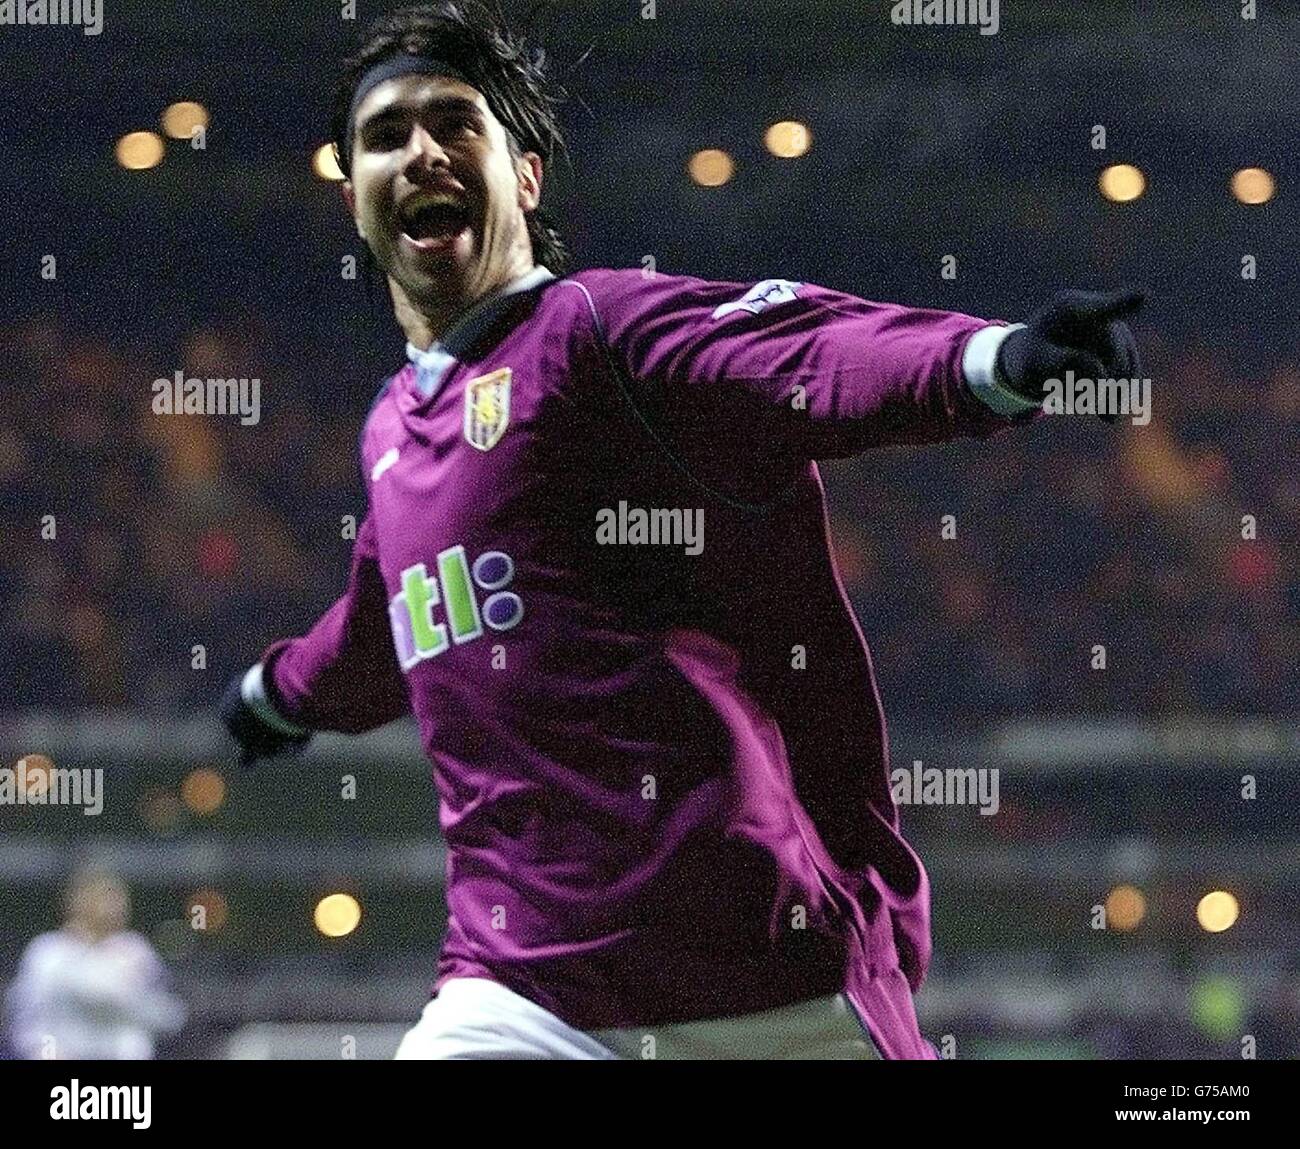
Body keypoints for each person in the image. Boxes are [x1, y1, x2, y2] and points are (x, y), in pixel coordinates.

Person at [221, 1, 1141, 1059]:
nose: (420, 149)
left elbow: (809, 356)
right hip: (525, 990)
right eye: (386, 135)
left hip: (769, 982)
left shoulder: (598, 333)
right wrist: (274, 694)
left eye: (454, 123)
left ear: (523, 176)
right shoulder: (392, 427)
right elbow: (379, 628)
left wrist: (994, 362)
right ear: (353, 196)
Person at [4, 869, 186, 1059]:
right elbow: (28, 1018)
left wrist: (123, 1000)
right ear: (78, 902)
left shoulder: (137, 951)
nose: (115, 907)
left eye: (118, 899)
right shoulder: (49, 951)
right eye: (105, 898)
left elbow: (169, 1013)